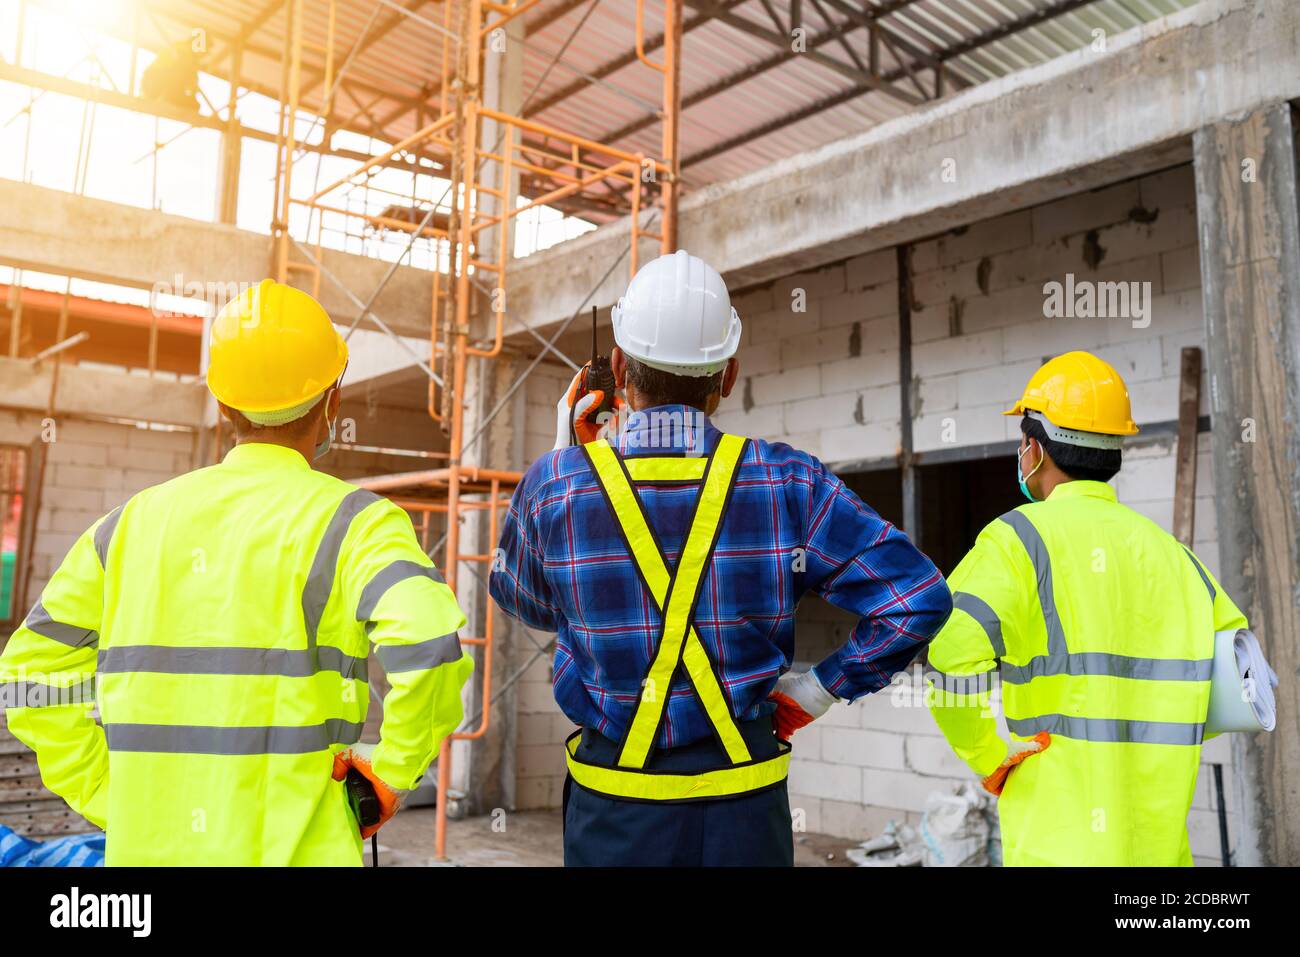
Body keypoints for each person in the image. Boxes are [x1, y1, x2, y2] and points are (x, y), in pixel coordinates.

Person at [489, 250, 951, 866]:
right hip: (744, 812)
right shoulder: (789, 481)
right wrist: (816, 692)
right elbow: (917, 598)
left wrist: (563, 463)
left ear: (619, 367)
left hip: (614, 813)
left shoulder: (557, 483)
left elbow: (529, 603)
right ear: (727, 375)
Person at [0, 279, 472, 865]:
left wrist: (107, 790)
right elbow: (430, 649)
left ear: (223, 406)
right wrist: (394, 771)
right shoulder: (359, 523)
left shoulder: (126, 527)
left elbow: (28, 672)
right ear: (333, 401)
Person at [925, 350, 1248, 866]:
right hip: (1160, 855)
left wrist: (988, 755)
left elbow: (949, 659)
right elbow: (1238, 679)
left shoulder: (1017, 541)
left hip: (1059, 849)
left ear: (1034, 449)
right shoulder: (1175, 557)